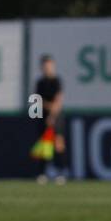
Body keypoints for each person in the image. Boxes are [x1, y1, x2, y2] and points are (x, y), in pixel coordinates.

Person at [32, 55, 67, 184]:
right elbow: (36, 102)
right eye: (45, 66)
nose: (47, 68)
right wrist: (38, 115)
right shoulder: (40, 82)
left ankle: (61, 172)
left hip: (56, 117)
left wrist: (52, 116)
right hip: (42, 117)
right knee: (44, 146)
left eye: (49, 65)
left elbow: (58, 102)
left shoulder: (57, 81)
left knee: (58, 144)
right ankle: (42, 174)